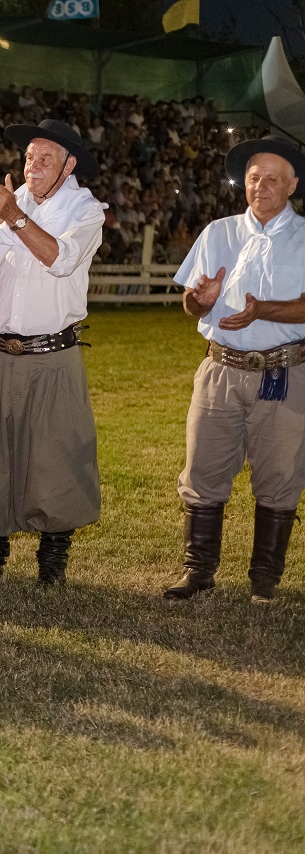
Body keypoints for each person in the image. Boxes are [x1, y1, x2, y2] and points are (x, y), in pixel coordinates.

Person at [0, 119, 106, 585]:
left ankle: (52, 557)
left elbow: (61, 259)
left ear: (69, 164)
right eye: (29, 157)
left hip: (53, 356)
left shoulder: (86, 211)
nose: (33, 165)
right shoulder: (8, 204)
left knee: (55, 456)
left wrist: (16, 219)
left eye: (45, 158)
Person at [165, 137, 305, 603]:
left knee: (279, 476)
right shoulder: (218, 232)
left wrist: (261, 310)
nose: (260, 186)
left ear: (292, 185)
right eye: (252, 178)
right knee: (202, 471)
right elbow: (191, 299)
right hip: (219, 370)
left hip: (282, 374)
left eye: (271, 178)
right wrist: (197, 300)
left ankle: (264, 581)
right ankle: (198, 572)